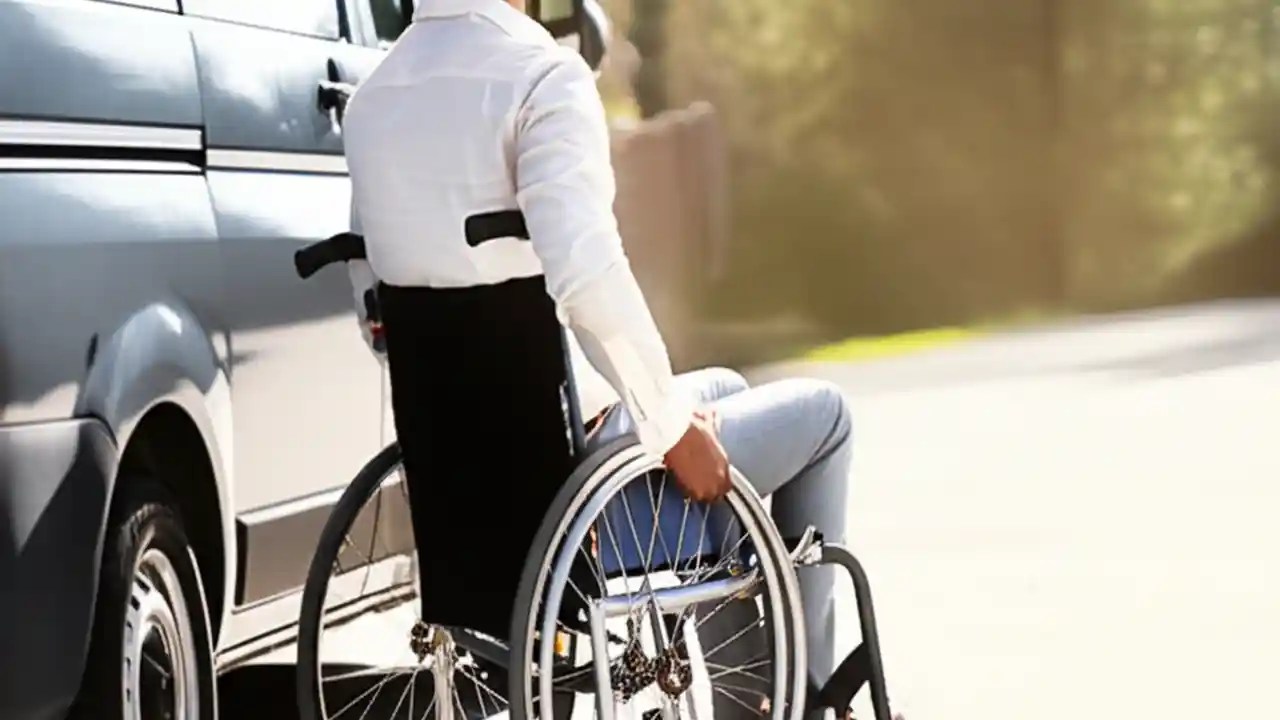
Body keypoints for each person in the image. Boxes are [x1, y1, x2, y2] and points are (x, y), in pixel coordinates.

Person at [340, 0, 855, 705]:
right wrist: (669, 429)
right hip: (576, 499)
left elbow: (377, 310)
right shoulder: (539, 77)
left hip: (463, 500)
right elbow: (587, 280)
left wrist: (663, 411)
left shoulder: (372, 104)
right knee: (827, 418)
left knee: (726, 388)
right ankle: (809, 698)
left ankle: (759, 700)